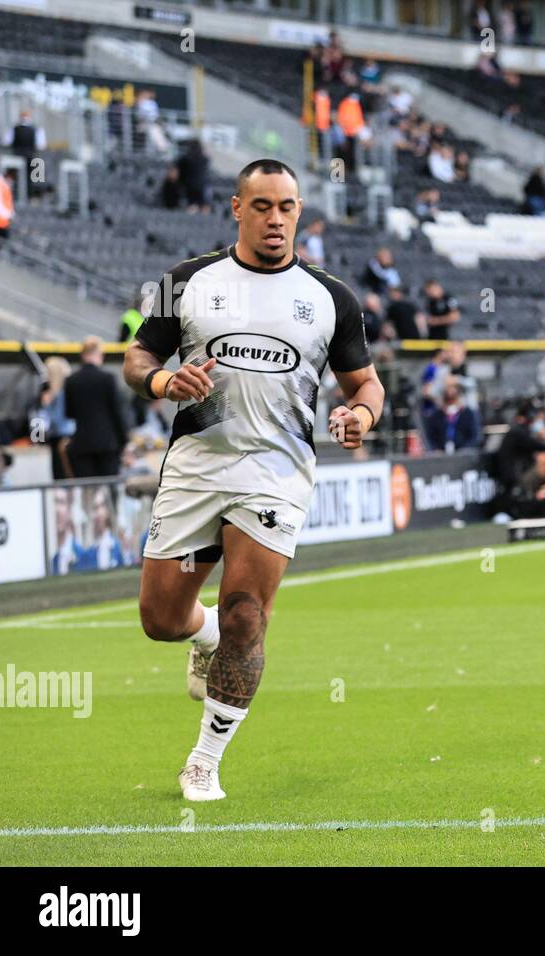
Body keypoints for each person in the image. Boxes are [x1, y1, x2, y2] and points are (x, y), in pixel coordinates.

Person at [122, 158, 384, 803]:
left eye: (287, 206)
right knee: (160, 619)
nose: (275, 218)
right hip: (195, 465)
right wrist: (161, 380)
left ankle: (204, 761)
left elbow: (365, 384)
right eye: (262, 205)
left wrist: (360, 415)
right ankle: (200, 635)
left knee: (247, 614)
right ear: (237, 209)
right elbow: (134, 356)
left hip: (277, 471)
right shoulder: (180, 282)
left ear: (300, 212)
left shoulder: (332, 298)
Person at [64, 337, 127, 478]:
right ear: (100, 354)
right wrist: (124, 440)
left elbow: (69, 413)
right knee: (108, 490)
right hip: (107, 443)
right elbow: (117, 412)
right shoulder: (108, 378)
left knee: (87, 490)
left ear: (83, 355)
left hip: (82, 443)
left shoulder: (71, 381)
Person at [422, 378, 481, 452]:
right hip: (441, 454)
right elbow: (429, 437)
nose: (451, 403)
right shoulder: (436, 416)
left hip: (463, 453)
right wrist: (435, 449)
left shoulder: (468, 414)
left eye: (453, 399)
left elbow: (475, 437)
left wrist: (464, 449)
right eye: (448, 400)